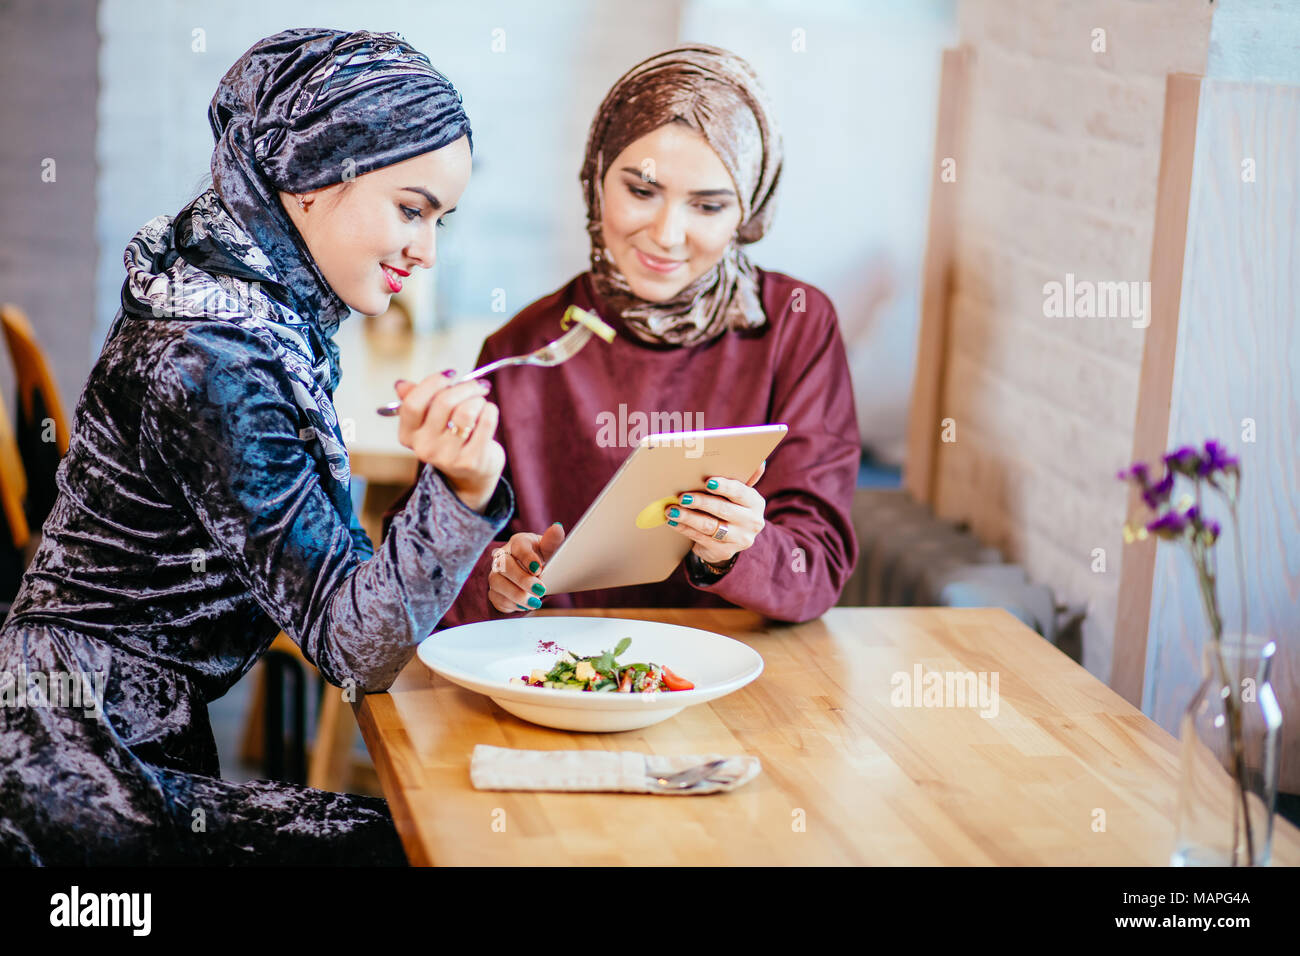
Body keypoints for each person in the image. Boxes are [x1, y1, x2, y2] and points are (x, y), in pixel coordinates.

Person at [0, 29, 509, 865]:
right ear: (310, 178)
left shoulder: (228, 288)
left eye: (440, 220)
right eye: (411, 208)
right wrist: (461, 490)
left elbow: (331, 578)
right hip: (69, 764)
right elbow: (356, 648)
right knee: (434, 846)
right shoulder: (219, 362)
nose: (426, 249)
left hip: (92, 723)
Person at [385, 44, 859, 627]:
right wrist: (495, 577)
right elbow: (418, 588)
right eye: (641, 191)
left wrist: (737, 549)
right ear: (596, 181)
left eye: (708, 206)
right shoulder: (523, 349)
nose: (667, 234)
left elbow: (818, 568)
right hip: (553, 676)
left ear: (749, 212)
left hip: (739, 685)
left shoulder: (794, 324)